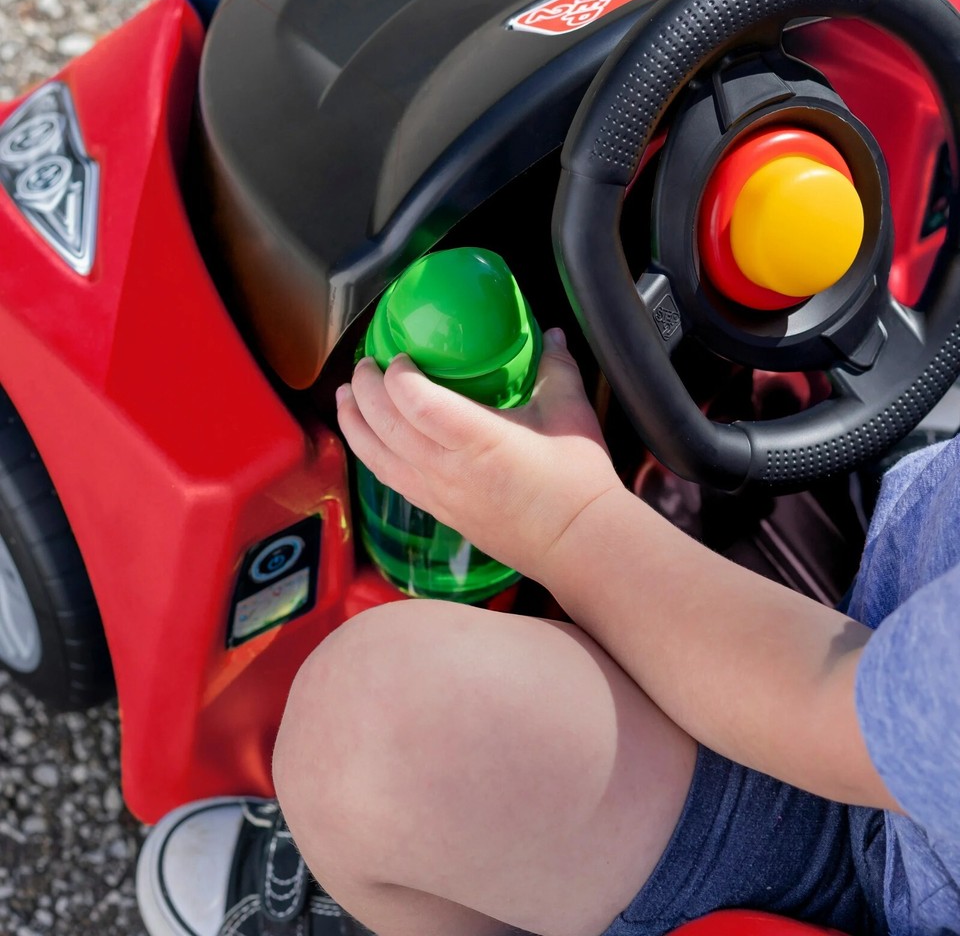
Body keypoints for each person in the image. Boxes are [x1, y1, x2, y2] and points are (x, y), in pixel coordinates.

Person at [135, 330, 960, 936]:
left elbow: (831, 712)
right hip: (907, 750)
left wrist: (568, 523)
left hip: (878, 851)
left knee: (369, 736)